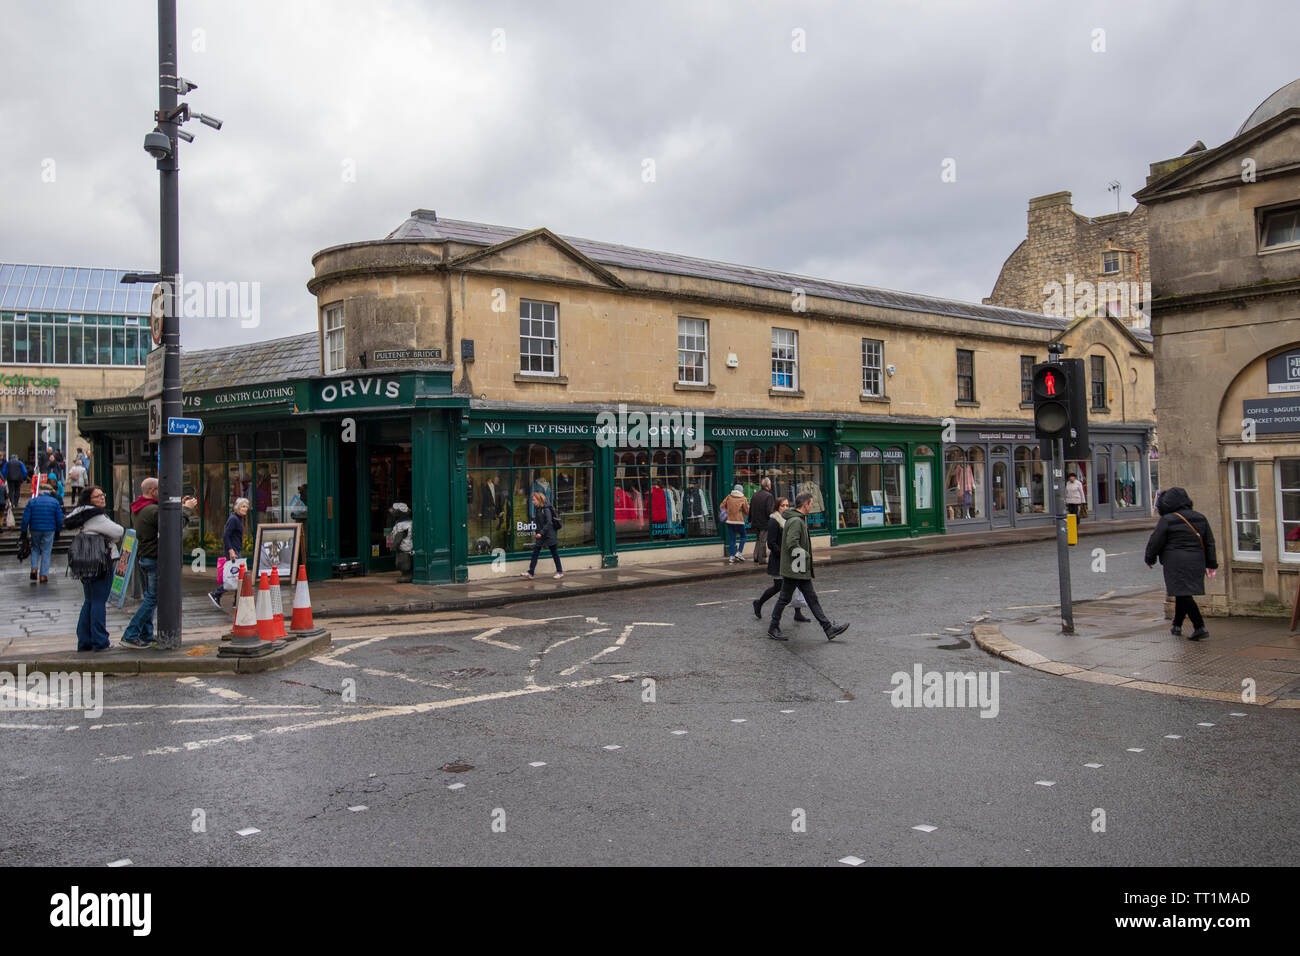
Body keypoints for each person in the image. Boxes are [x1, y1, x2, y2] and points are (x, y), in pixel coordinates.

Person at [120, 477, 198, 649]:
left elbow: (166, 515)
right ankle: (130, 635)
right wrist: (186, 510)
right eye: (161, 490)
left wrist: (179, 505)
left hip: (145, 557)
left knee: (150, 597)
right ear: (153, 491)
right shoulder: (152, 510)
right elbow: (174, 526)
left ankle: (146, 634)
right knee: (152, 599)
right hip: (154, 558)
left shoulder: (142, 507)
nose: (163, 493)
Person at [768, 492, 850, 642]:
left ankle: (828, 628)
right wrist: (805, 555)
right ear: (805, 504)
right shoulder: (796, 521)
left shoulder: (797, 519)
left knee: (811, 599)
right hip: (795, 568)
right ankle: (773, 627)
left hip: (798, 567)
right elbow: (791, 543)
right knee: (785, 598)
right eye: (811, 503)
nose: (812, 506)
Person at [1144, 487, 1218, 640]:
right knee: (1183, 593)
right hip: (1197, 561)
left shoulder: (1168, 520)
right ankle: (1177, 625)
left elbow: (1155, 541)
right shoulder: (1200, 517)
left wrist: (1150, 558)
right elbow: (1209, 542)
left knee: (1183, 594)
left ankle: (1199, 626)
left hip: (1175, 562)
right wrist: (1211, 563)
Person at [64, 486, 124, 652]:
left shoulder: (79, 513)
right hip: (99, 562)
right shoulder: (95, 515)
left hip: (85, 561)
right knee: (98, 601)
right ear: (89, 500)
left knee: (89, 601)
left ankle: (85, 641)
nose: (102, 498)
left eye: (102, 494)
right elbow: (118, 531)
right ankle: (100, 640)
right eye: (97, 496)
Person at [753, 497, 811, 623]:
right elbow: (771, 543)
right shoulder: (774, 521)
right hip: (778, 560)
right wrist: (783, 554)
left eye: (787, 505)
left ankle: (798, 613)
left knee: (794, 584)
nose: (785, 508)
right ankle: (759, 603)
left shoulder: (789, 520)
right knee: (779, 587)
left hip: (788, 559)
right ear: (777, 507)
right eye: (782, 505)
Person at [208, 497, 251, 608]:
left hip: (236, 550)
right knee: (236, 576)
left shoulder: (238, 519)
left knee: (238, 576)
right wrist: (231, 551)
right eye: (243, 506)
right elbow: (226, 536)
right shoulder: (233, 519)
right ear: (237, 507)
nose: (245, 509)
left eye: (246, 507)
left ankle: (236, 602)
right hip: (233, 551)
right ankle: (216, 594)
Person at [20, 480, 63, 583]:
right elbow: (59, 519)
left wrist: (23, 531)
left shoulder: (32, 502)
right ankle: (43, 575)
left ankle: (34, 569)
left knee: (35, 548)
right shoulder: (55, 502)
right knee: (46, 551)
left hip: (35, 528)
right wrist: (58, 530)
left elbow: (25, 518)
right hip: (49, 529)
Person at [520, 490, 563, 579]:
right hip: (541, 535)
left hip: (549, 535)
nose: (533, 502)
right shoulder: (538, 509)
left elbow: (549, 522)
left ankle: (560, 572)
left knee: (554, 553)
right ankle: (530, 572)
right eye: (532, 500)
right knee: (535, 553)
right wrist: (538, 532)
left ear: (539, 500)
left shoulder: (546, 509)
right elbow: (539, 523)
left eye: (534, 500)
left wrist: (541, 532)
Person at [750, 477, 776, 566]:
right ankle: (762, 558)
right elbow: (769, 511)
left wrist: (750, 519)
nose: (771, 485)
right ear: (768, 485)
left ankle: (756, 556)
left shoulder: (755, 495)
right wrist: (773, 519)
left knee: (758, 539)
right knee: (763, 541)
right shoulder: (769, 496)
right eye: (770, 484)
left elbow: (751, 508)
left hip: (755, 522)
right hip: (764, 522)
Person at [721, 484, 750, 563]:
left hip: (730, 521)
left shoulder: (729, 497)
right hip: (739, 521)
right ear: (741, 490)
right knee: (743, 536)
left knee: (732, 539)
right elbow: (747, 510)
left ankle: (731, 556)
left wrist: (727, 511)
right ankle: (739, 553)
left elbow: (722, 506)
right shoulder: (743, 498)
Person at [387, 502, 414, 583]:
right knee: (403, 561)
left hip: (404, 547)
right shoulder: (408, 522)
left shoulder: (402, 525)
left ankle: (407, 575)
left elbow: (399, 536)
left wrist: (394, 546)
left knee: (403, 562)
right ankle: (405, 574)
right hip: (406, 547)